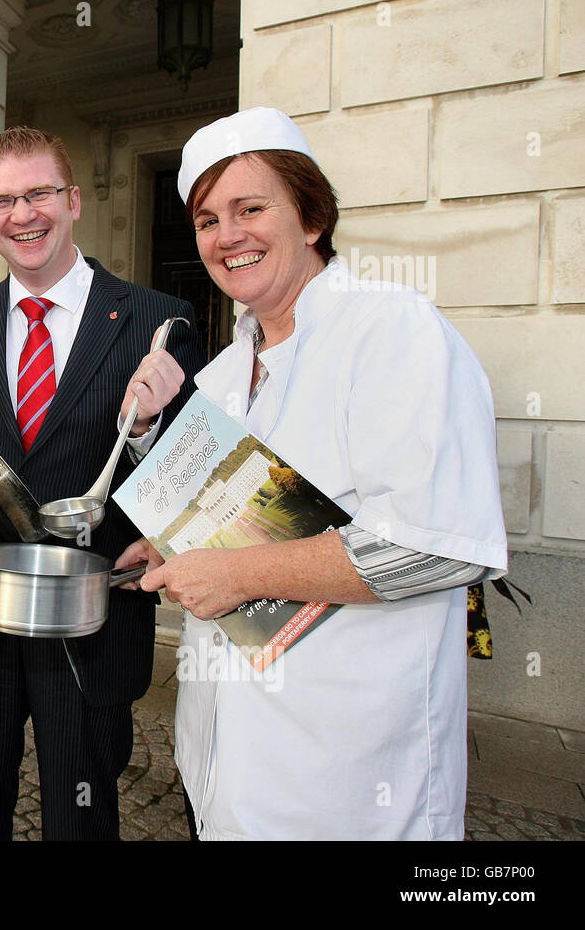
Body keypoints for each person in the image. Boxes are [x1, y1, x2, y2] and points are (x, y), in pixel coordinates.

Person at [120, 106, 507, 839]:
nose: (227, 236)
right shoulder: (226, 372)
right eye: (207, 220)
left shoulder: (394, 331)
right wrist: (178, 546)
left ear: (312, 216)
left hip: (352, 779)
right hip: (226, 771)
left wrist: (238, 573)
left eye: (249, 208)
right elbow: (252, 515)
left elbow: (440, 545)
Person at [0, 127, 206, 840]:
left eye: (40, 192)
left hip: (91, 622)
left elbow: (191, 477)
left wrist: (145, 429)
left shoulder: (157, 321)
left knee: (80, 818)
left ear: (73, 200)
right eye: (3, 200)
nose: (24, 214)